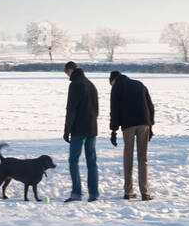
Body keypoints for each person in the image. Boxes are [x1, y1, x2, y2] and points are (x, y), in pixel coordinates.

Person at [109, 69, 155, 200]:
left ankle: (128, 191)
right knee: (143, 158)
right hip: (144, 123)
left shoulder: (116, 87)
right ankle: (145, 193)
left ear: (113, 81)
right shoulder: (139, 84)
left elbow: (114, 110)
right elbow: (150, 106)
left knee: (128, 158)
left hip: (128, 125)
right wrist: (150, 125)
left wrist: (113, 130)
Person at [62, 60, 99, 202]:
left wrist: (67, 130)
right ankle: (94, 193)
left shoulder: (75, 85)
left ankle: (76, 193)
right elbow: (96, 109)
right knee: (92, 161)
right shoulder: (91, 85)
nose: (67, 76)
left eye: (67, 73)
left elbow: (71, 109)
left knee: (73, 161)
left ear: (70, 70)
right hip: (92, 128)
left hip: (78, 129)